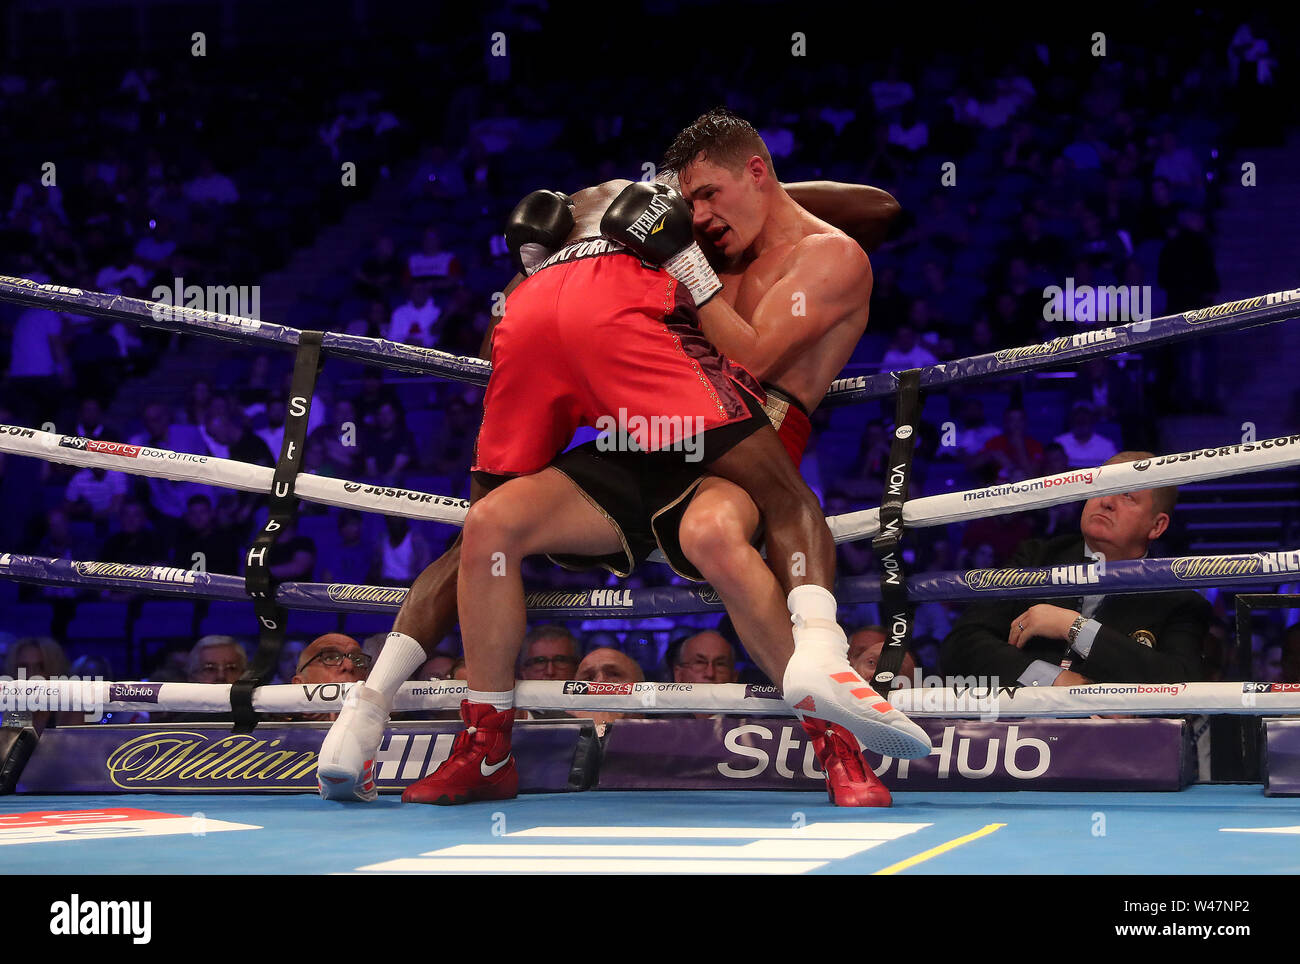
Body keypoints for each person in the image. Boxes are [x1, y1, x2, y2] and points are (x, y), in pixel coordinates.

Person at [320, 115, 925, 804]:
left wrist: (689, 258)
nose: (696, 215)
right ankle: (483, 749)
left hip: (741, 446)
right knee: (491, 524)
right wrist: (553, 262)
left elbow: (751, 358)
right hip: (645, 429)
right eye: (685, 200)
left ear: (759, 174)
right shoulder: (703, 232)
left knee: (711, 535)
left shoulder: (826, 256)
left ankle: (839, 749)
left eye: (707, 195)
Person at [941, 453, 1211, 686]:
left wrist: (1073, 627)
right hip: (1023, 734)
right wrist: (1051, 680)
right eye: (1103, 486)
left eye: (1127, 494)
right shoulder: (1036, 559)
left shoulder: (1177, 598)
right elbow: (962, 645)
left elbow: (1182, 682)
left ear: (1157, 526)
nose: (1106, 500)